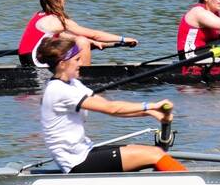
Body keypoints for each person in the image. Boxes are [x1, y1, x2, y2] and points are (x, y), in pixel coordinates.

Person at [37, 36, 185, 173]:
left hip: (85, 151)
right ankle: (187, 181)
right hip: (75, 162)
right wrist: (151, 105)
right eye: (76, 59)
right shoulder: (59, 90)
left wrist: (151, 112)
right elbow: (112, 109)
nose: (80, 63)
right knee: (156, 155)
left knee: (149, 152)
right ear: (63, 64)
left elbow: (109, 105)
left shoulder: (73, 84)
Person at [17, 0, 136, 67]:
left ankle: (73, 71)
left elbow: (64, 37)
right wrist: (123, 39)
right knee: (83, 42)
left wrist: (94, 43)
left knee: (80, 41)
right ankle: (85, 78)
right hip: (36, 61)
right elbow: (95, 34)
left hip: (26, 59)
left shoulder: (38, 15)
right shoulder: (60, 20)